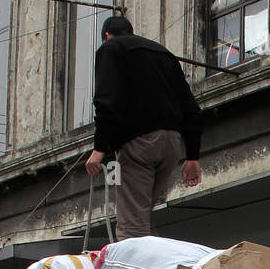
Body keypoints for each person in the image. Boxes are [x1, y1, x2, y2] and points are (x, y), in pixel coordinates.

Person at [85, 16, 203, 240]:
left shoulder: (110, 49)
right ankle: (157, 265)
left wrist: (99, 149)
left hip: (138, 143)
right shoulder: (162, 52)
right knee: (142, 217)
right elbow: (191, 107)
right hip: (172, 143)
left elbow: (105, 101)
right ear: (131, 31)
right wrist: (193, 156)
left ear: (107, 36)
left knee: (131, 226)